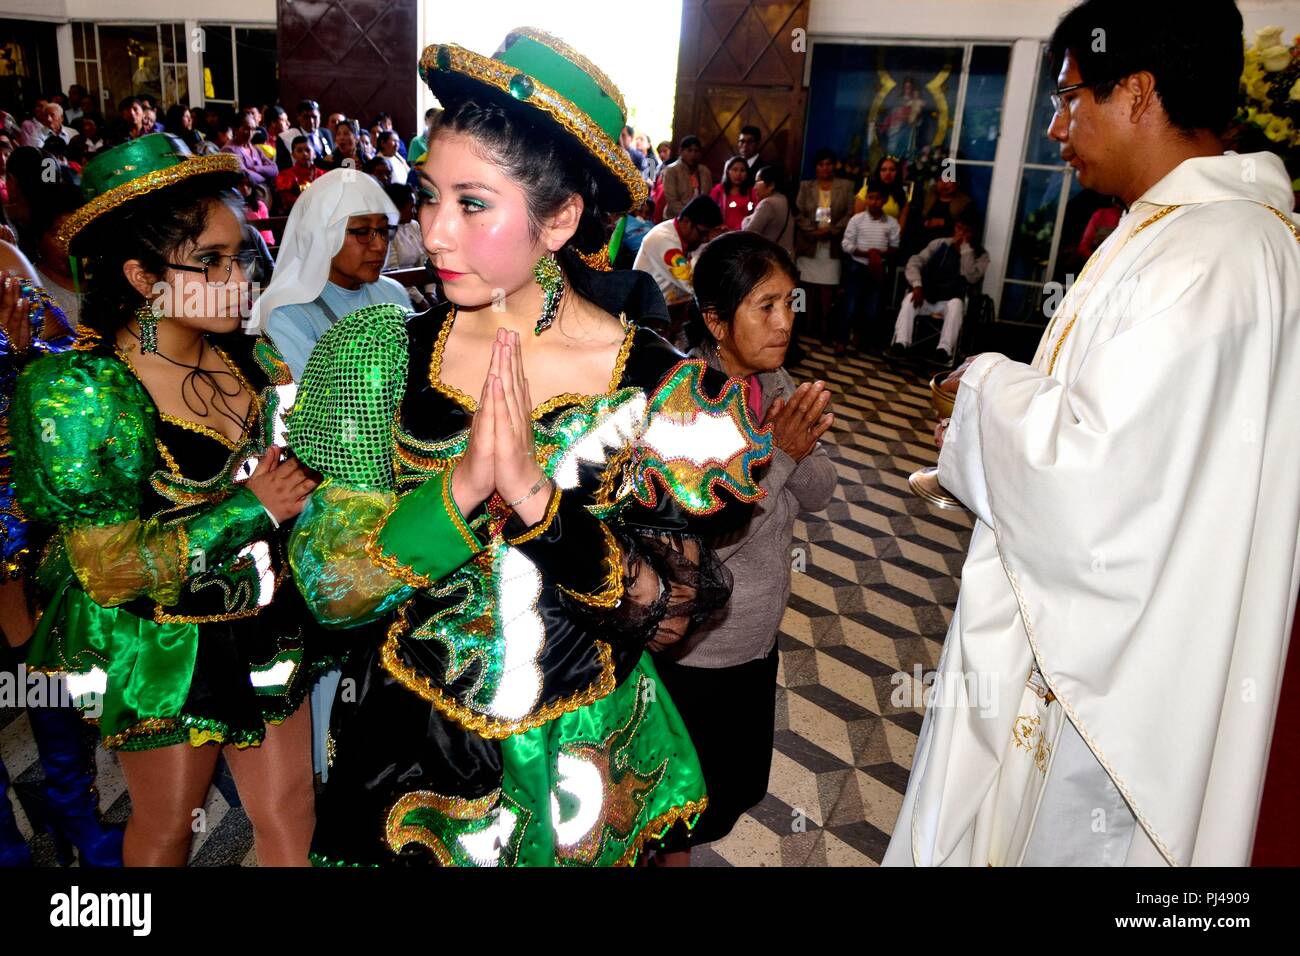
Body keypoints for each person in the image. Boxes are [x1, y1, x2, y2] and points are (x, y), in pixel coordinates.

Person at [292, 27, 771, 868]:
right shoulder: (383, 354)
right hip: (412, 746)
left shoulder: (655, 388)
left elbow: (674, 610)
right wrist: (459, 492)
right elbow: (328, 589)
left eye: (473, 204)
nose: (434, 234)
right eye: (429, 195)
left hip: (578, 758)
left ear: (560, 219)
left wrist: (543, 506)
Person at [885, 0, 1300, 868]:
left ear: (1140, 93)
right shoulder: (1194, 234)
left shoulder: (1209, 257)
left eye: (1071, 96)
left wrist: (985, 389)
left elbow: (1099, 486)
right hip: (1140, 635)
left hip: (1118, 692)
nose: (1054, 122)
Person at [11, 133, 339, 867]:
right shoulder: (84, 395)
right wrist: (248, 508)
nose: (241, 279)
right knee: (167, 831)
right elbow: (108, 570)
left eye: (243, 257)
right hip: (169, 643)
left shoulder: (251, 356)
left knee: (291, 812)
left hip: (267, 623)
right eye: (213, 262)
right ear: (141, 274)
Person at [653, 231, 835, 865]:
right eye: (765, 306)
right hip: (700, 651)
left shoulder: (773, 381)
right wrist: (779, 453)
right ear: (715, 321)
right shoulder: (689, 404)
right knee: (677, 807)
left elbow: (819, 493)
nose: (785, 322)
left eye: (790, 302)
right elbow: (710, 542)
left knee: (729, 792)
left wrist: (798, 439)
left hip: (756, 640)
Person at [0, 239, 118, 869]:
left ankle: (76, 811)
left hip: (22, 512)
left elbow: (79, 361)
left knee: (43, 668)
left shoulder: (7, 261)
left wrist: (28, 354)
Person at [253, 167, 410, 379]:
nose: (380, 245)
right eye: (362, 232)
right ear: (323, 235)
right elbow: (311, 404)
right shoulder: (285, 314)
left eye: (382, 230)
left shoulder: (393, 292)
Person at [889, 211, 987, 363]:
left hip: (950, 301)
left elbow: (971, 277)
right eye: (959, 228)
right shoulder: (940, 244)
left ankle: (944, 350)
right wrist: (917, 285)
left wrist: (965, 250)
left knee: (956, 304)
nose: (961, 233)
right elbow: (915, 262)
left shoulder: (981, 255)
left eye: (966, 231)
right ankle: (900, 344)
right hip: (928, 295)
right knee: (909, 298)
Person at [632, 194, 723, 345]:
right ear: (686, 221)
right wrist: (711, 245)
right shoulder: (663, 239)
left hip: (671, 313)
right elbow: (692, 283)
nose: (705, 239)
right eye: (703, 233)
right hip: (648, 319)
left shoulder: (688, 238)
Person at [794, 147, 854, 338]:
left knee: (828, 288)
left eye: (829, 164)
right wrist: (813, 231)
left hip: (833, 243)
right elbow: (798, 213)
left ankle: (825, 327)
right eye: (821, 164)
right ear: (816, 167)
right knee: (807, 287)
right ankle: (806, 326)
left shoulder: (845, 186)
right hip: (810, 242)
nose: (826, 168)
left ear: (834, 165)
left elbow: (850, 213)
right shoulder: (806, 186)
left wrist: (831, 231)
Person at [840, 179, 901, 353]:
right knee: (850, 306)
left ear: (885, 200)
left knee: (871, 309)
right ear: (866, 198)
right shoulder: (857, 220)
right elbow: (846, 245)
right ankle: (842, 340)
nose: (874, 202)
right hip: (857, 266)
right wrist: (867, 254)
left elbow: (895, 246)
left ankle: (860, 340)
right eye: (871, 198)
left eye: (878, 198)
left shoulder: (892, 223)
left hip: (878, 270)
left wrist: (878, 254)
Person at [741, 164, 794, 257]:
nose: (754, 187)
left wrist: (746, 220)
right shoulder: (784, 199)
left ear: (771, 185)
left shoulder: (768, 203)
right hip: (783, 259)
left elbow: (748, 234)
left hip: (769, 260)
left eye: (757, 182)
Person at [660, 135, 713, 219]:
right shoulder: (671, 170)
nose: (693, 154)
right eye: (689, 150)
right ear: (681, 151)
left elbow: (709, 196)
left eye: (696, 151)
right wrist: (690, 216)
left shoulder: (705, 171)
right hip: (675, 218)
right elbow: (672, 200)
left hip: (699, 219)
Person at [853, 154, 911, 230]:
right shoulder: (866, 190)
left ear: (897, 173)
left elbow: (900, 227)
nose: (888, 173)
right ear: (878, 172)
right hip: (865, 236)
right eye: (884, 170)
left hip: (890, 238)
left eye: (892, 170)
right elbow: (857, 220)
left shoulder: (903, 196)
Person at [223, 109, 278, 186]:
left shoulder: (255, 148)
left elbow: (274, 169)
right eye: (246, 129)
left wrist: (255, 169)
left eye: (253, 129)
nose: (250, 133)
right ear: (235, 129)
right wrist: (266, 175)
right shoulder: (228, 150)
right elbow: (245, 175)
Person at [275, 136, 323, 213]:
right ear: (293, 155)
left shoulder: (324, 175)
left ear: (314, 154)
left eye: (308, 150)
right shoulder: (285, 175)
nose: (304, 154)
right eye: (299, 151)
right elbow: (288, 201)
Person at [280, 99, 334, 166]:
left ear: (320, 117)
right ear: (298, 117)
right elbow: (283, 166)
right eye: (306, 117)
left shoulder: (326, 133)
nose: (311, 121)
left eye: (314, 117)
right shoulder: (286, 137)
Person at [710, 155, 756, 232]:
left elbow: (756, 216)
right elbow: (709, 213)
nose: (738, 174)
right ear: (728, 171)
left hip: (744, 234)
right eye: (734, 170)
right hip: (721, 234)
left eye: (742, 170)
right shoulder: (718, 190)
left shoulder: (752, 193)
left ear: (747, 173)